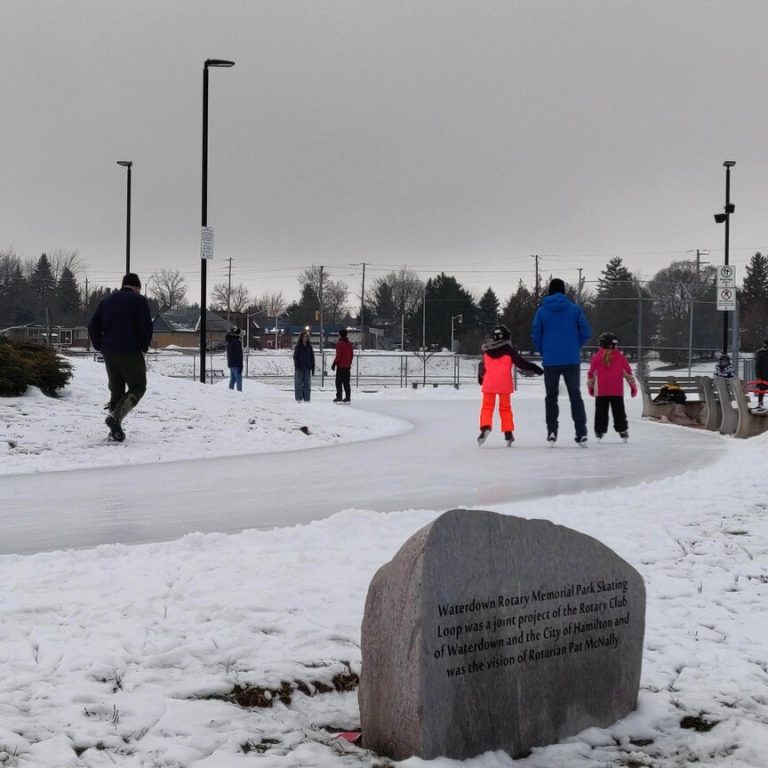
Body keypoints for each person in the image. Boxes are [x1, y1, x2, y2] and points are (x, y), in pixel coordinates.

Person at [87, 272, 153, 442]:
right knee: (138, 386)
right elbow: (146, 326)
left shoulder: (106, 302)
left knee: (117, 390)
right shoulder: (139, 301)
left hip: (109, 352)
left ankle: (115, 431)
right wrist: (143, 346)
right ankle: (115, 418)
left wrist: (99, 345)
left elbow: (93, 326)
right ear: (137, 287)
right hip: (130, 351)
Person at [531, 278, 592, 446]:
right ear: (564, 291)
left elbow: (535, 334)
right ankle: (581, 432)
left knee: (551, 397)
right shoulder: (574, 309)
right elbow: (586, 331)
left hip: (551, 360)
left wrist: (545, 349)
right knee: (575, 396)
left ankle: (552, 430)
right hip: (571, 359)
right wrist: (575, 345)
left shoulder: (542, 311)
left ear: (549, 291)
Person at [477, 325, 543, 446]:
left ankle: (485, 427)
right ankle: (508, 433)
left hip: (489, 383)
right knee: (505, 408)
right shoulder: (509, 350)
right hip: (504, 383)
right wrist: (534, 368)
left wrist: (481, 379)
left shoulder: (486, 351)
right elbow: (521, 363)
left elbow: (482, 367)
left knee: (487, 407)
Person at [587, 332, 637, 442]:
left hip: (601, 391)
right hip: (617, 391)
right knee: (619, 412)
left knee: (601, 412)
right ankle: (622, 430)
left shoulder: (596, 358)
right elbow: (628, 373)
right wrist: (633, 387)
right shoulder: (620, 357)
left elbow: (591, 375)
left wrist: (590, 388)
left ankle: (599, 431)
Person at [331, 328, 354, 403]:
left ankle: (339, 396)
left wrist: (334, 363)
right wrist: (349, 362)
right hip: (347, 366)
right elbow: (351, 355)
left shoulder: (339, 344)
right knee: (346, 383)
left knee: (338, 382)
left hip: (341, 366)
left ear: (340, 335)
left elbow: (339, 355)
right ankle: (348, 397)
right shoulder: (349, 344)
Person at [293, 330, 315, 402]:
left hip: (307, 367)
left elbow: (312, 357)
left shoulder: (309, 347)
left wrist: (312, 366)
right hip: (299, 367)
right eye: (304, 336)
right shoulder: (298, 346)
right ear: (301, 337)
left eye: (307, 336)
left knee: (307, 384)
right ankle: (298, 398)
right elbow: (295, 356)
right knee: (299, 383)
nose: (305, 338)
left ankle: (307, 398)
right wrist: (297, 365)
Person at [225, 326, 243, 391]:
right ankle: (239, 393)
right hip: (236, 364)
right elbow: (238, 355)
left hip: (231, 363)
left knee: (233, 379)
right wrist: (240, 365)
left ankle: (230, 392)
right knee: (239, 379)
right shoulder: (236, 342)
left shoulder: (230, 342)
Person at [753, 338, 768, 413]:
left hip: (764, 375)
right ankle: (760, 403)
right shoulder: (761, 353)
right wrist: (758, 376)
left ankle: (760, 403)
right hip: (763, 376)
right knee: (762, 389)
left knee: (762, 389)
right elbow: (757, 366)